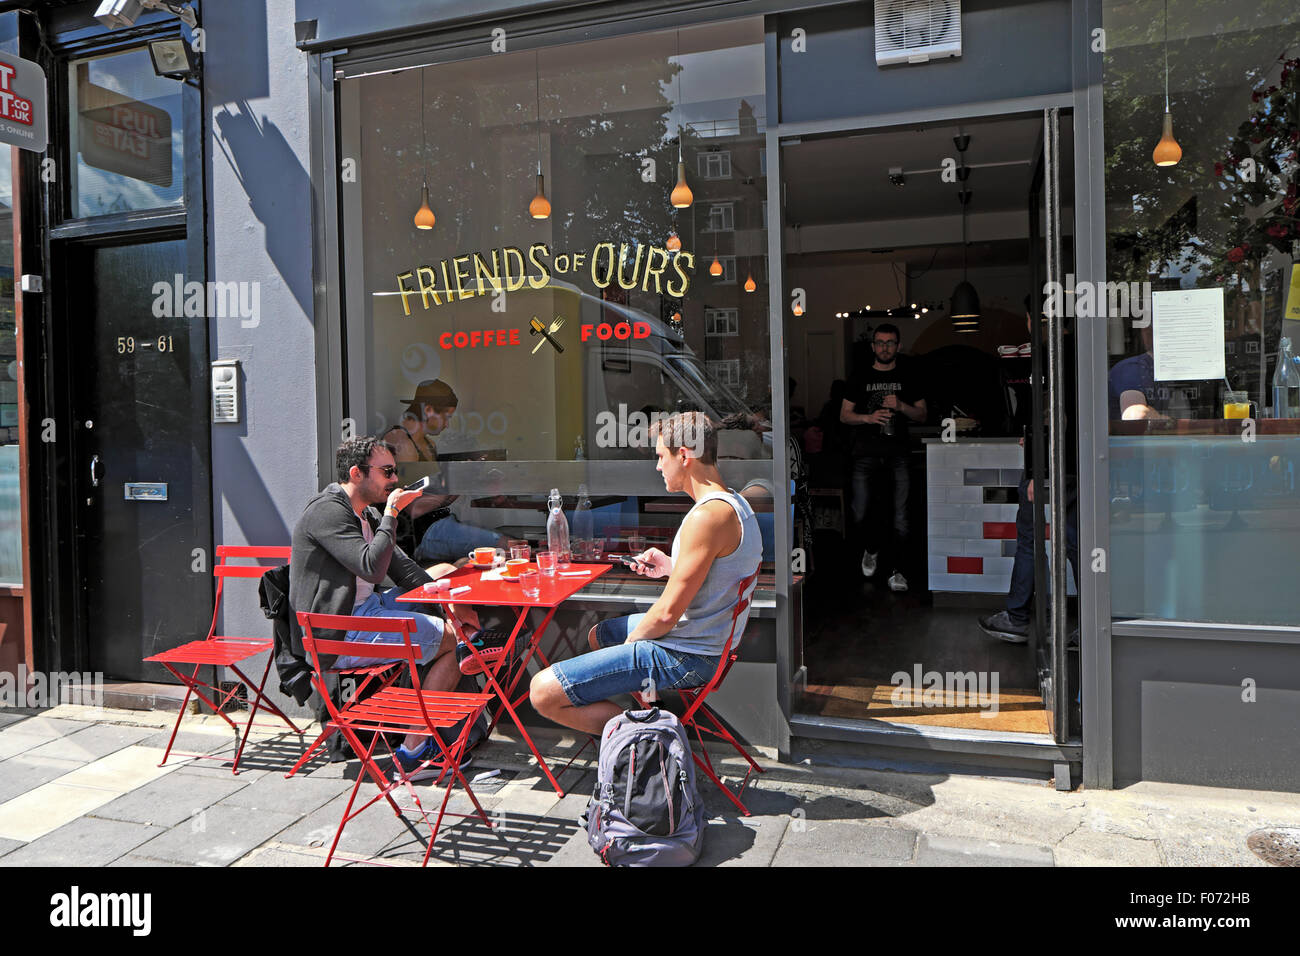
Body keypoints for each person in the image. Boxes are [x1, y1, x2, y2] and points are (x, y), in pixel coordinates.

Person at [529, 411, 762, 735]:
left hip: (690, 655)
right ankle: (648, 708)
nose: (657, 466)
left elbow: (666, 615)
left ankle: (647, 735)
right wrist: (671, 566)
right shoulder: (734, 504)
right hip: (708, 643)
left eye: (661, 456)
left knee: (542, 692)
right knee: (600, 635)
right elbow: (720, 574)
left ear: (684, 455)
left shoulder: (706, 518)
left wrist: (631, 648)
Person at [289, 436, 492, 780]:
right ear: (356, 474)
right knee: (458, 642)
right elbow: (371, 567)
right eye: (387, 472)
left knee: (442, 573)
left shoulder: (363, 512)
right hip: (340, 632)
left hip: (368, 609)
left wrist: (447, 600)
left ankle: (459, 651)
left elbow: (405, 570)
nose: (395, 480)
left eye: (395, 471)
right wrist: (392, 513)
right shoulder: (328, 513)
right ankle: (413, 752)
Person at [979, 300, 1080, 644]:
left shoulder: (1053, 357)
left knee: (1040, 541)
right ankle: (1080, 624)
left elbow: (1054, 416)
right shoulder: (1077, 352)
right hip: (1068, 464)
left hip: (1052, 466)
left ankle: (1021, 619)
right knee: (1069, 543)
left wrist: (1039, 469)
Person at [840, 323, 927, 592]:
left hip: (898, 453)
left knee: (901, 515)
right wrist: (869, 417)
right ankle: (871, 549)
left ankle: (898, 570)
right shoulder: (859, 376)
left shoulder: (910, 373)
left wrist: (901, 406)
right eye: (880, 343)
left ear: (898, 346)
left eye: (890, 343)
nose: (885, 348)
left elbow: (922, 415)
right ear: (873, 346)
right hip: (865, 454)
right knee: (861, 511)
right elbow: (844, 415)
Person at [388, 379, 506, 564]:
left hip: (438, 522)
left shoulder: (429, 444)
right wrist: (452, 486)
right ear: (428, 410)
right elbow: (409, 508)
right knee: (502, 544)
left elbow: (437, 495)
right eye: (446, 417)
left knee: (503, 540)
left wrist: (465, 480)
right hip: (419, 533)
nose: (447, 425)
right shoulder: (404, 445)